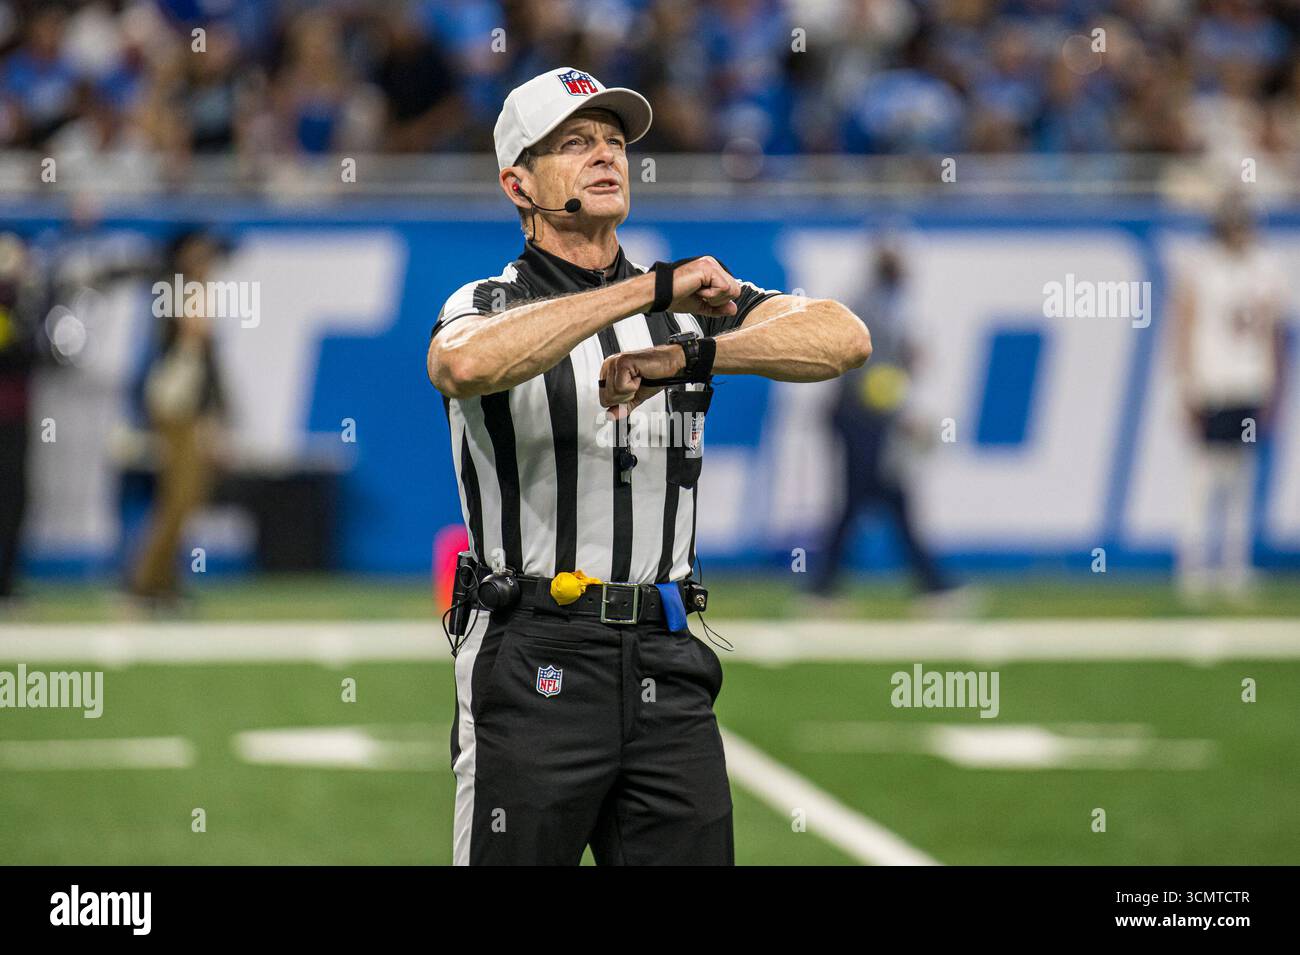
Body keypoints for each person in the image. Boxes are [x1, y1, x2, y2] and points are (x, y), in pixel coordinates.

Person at [426, 66, 872, 866]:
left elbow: (843, 337)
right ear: (517, 182)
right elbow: (461, 365)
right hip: (535, 655)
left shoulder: (679, 308)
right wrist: (637, 294)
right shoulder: (489, 297)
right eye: (574, 143)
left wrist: (694, 351)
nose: (606, 156)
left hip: (668, 658)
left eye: (613, 140)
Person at [805, 240, 960, 611]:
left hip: (865, 419)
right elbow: (870, 376)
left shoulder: (879, 304)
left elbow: (889, 369)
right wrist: (898, 414)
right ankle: (930, 586)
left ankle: (826, 590)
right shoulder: (872, 306)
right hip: (861, 419)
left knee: (876, 501)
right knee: (875, 500)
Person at [1172, 194, 1288, 604]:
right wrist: (1185, 386)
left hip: (1248, 382)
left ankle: (1232, 565)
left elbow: (1274, 331)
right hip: (1213, 383)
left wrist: (1275, 386)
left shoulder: (1265, 266)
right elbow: (1182, 327)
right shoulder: (1200, 266)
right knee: (1206, 476)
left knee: (1240, 477)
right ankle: (1193, 564)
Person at [127, 229, 228, 607]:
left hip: (180, 403)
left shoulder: (186, 290)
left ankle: (162, 581)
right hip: (174, 404)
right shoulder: (179, 290)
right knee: (179, 497)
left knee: (185, 497)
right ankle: (145, 583)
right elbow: (193, 346)